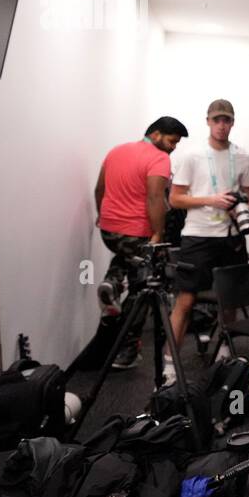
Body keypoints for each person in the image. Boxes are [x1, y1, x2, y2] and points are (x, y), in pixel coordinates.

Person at [166, 100, 249, 384]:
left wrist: (241, 201)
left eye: (226, 120)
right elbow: (175, 198)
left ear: (232, 123)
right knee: (185, 300)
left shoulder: (242, 157)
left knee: (228, 299)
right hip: (198, 235)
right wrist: (211, 200)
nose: (221, 125)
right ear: (207, 121)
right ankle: (170, 366)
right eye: (217, 120)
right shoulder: (192, 157)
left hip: (230, 237)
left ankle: (225, 350)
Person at [94, 116, 187, 367]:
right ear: (155, 135)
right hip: (137, 231)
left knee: (126, 257)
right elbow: (155, 198)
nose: (173, 147)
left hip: (109, 230)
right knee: (141, 288)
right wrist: (157, 234)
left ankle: (111, 284)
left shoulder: (117, 151)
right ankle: (128, 349)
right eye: (171, 141)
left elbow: (99, 188)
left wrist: (100, 215)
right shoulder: (159, 158)